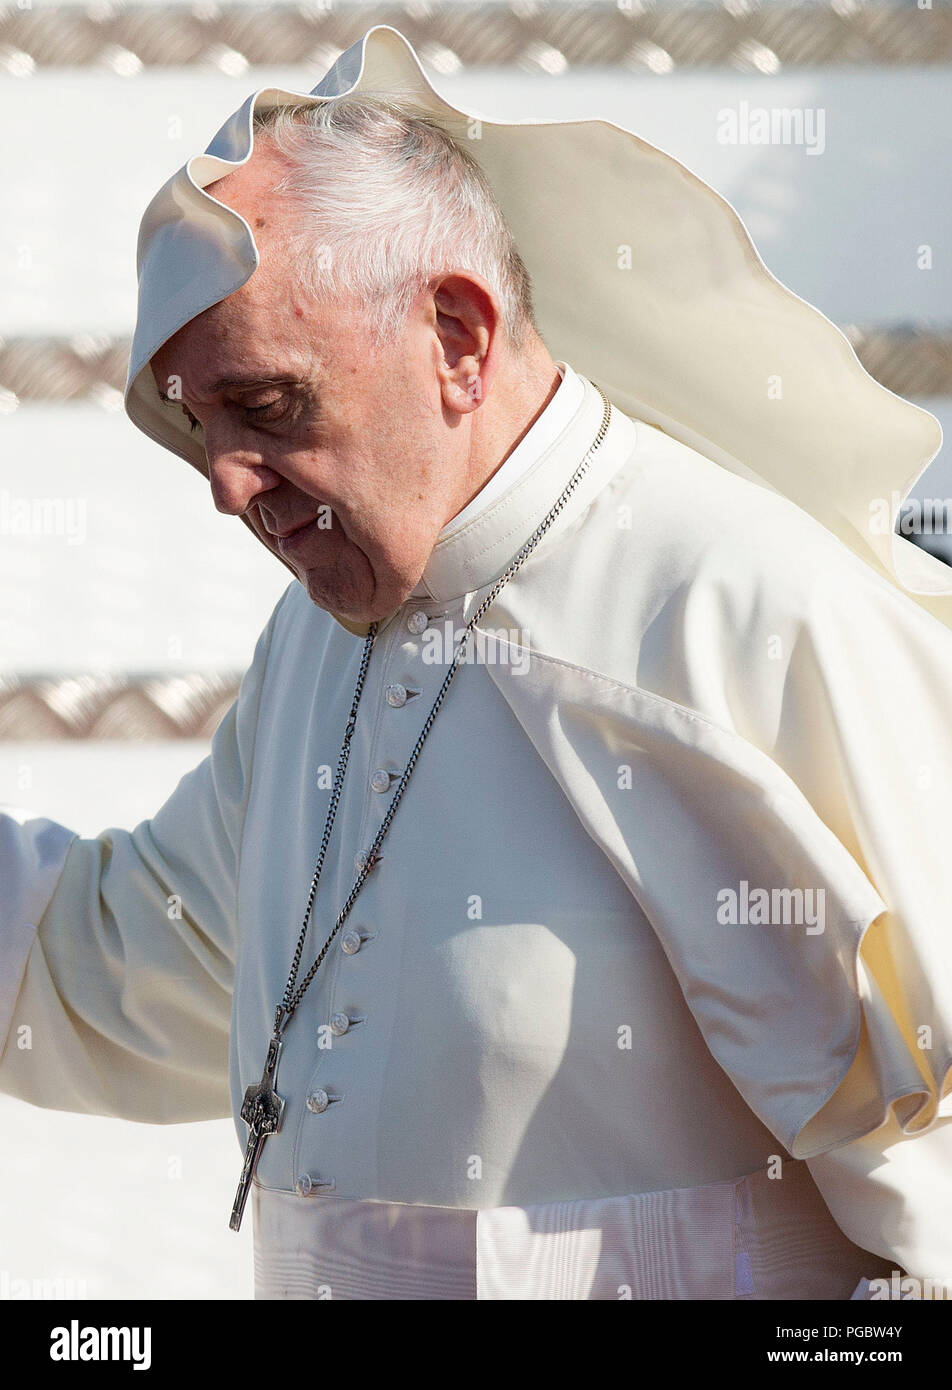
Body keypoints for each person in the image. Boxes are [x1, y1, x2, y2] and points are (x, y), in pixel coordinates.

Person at [2, 25, 951, 1300]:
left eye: (267, 408)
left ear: (457, 333)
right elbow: (139, 964)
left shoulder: (747, 611)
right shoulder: (316, 632)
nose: (222, 487)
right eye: (197, 421)